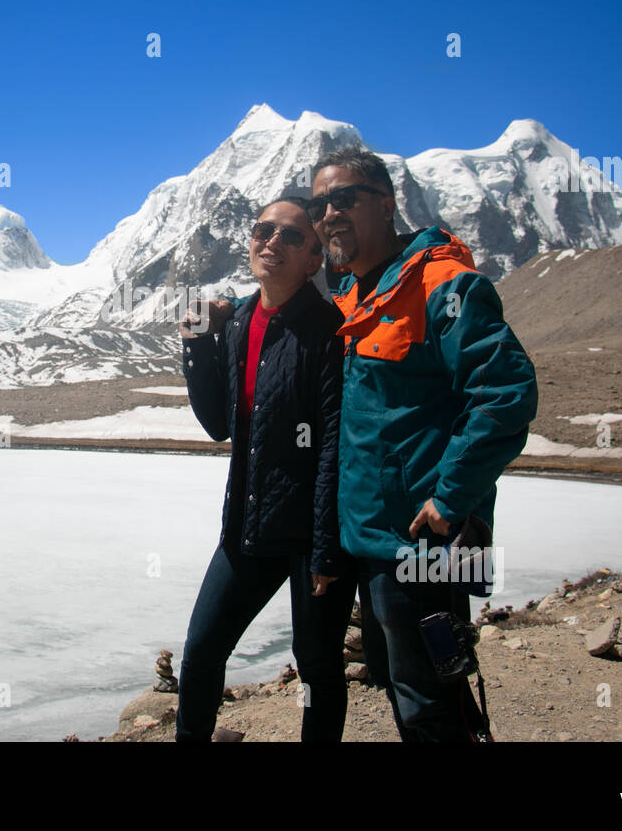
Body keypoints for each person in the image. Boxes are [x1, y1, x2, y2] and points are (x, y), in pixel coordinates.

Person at [303, 145, 539, 741]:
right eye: (318, 204)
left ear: (385, 205)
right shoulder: (361, 294)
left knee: (430, 700)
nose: (329, 213)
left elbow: (505, 393)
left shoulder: (443, 284)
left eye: (343, 198)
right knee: (410, 688)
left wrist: (450, 498)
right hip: (371, 543)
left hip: (421, 542)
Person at [175, 196, 356, 742]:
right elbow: (218, 425)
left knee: (318, 667)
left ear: (313, 261)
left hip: (312, 534)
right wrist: (197, 344)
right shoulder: (241, 322)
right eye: (264, 230)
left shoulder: (328, 330)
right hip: (251, 525)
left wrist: (326, 550)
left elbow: (331, 448)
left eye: (293, 237)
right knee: (203, 651)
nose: (272, 242)